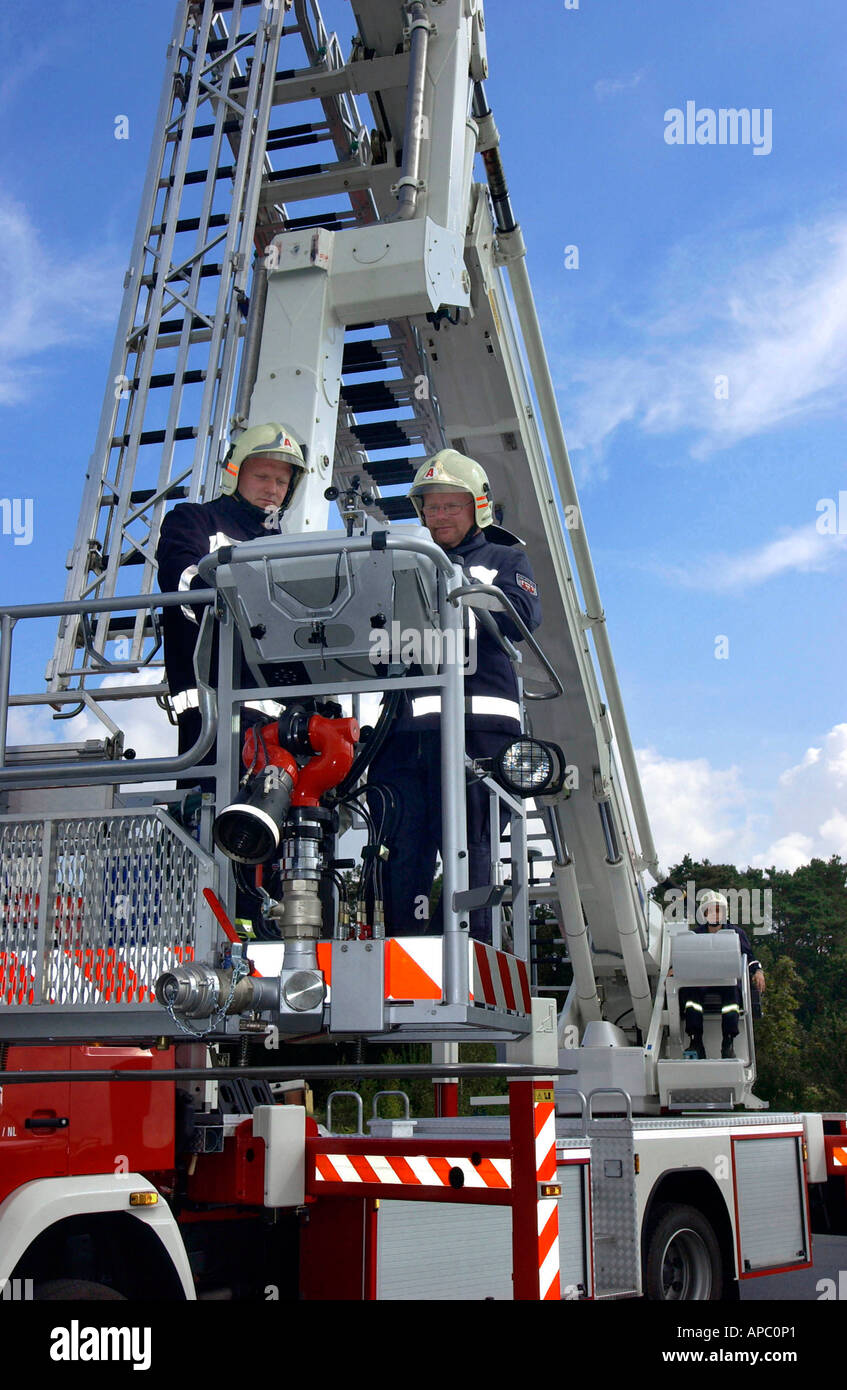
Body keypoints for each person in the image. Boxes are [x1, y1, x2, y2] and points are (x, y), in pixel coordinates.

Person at [365, 448, 542, 943]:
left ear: (477, 506)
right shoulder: (404, 564)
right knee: (403, 846)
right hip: (408, 738)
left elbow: (521, 616)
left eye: (451, 505)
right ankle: (406, 956)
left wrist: (452, 597)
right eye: (431, 506)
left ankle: (475, 955)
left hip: (480, 736)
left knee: (470, 845)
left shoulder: (506, 559)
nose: (439, 516)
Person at [155, 422, 307, 779]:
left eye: (281, 482)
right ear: (235, 474)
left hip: (284, 726)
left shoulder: (295, 550)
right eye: (262, 476)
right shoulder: (194, 520)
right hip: (213, 717)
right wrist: (243, 610)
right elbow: (181, 580)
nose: (272, 489)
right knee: (214, 822)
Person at [681, 889, 766, 1059]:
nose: (715, 913)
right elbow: (685, 956)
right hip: (702, 982)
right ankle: (695, 1041)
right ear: (705, 913)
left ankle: (728, 1042)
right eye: (711, 910)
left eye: (718, 909)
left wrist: (758, 971)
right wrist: (673, 967)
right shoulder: (695, 935)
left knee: (733, 995)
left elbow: (748, 957)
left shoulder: (736, 933)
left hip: (727, 981)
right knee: (690, 996)